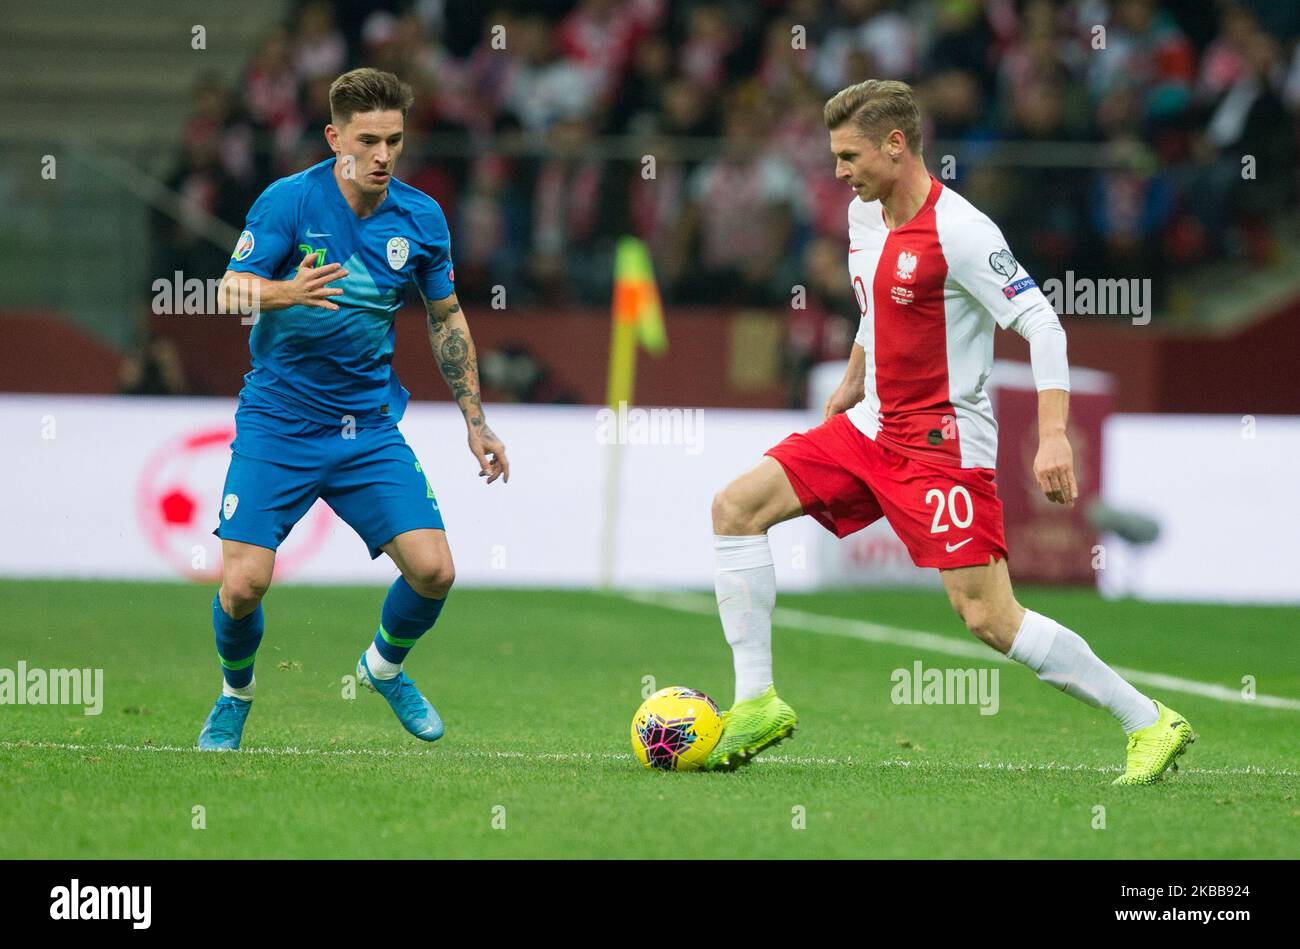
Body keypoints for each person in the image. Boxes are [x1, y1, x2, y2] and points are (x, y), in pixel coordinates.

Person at [705, 79, 1193, 785]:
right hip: (872, 424)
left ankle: (1148, 719)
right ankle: (756, 701)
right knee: (735, 508)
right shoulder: (863, 215)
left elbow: (1042, 323)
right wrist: (851, 377)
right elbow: (877, 308)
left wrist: (1053, 434)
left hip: (941, 442)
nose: (838, 171)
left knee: (989, 617)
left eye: (849, 156)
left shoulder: (961, 232)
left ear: (896, 146)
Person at [198, 68, 509, 750]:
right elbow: (227, 292)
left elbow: (447, 316)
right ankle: (235, 693)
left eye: (394, 141)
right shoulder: (288, 202)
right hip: (278, 423)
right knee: (244, 584)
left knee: (435, 570)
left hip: (366, 426)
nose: (382, 155)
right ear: (334, 135)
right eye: (368, 140)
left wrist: (475, 418)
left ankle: (383, 667)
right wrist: (286, 293)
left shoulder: (421, 218)